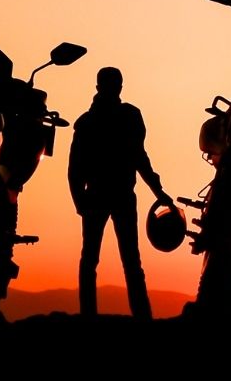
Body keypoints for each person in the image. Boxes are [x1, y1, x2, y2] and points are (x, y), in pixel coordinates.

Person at [67, 66, 170, 318]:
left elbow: (75, 168)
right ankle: (140, 316)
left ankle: (92, 315)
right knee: (126, 261)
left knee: (97, 259)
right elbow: (139, 159)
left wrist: (80, 199)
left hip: (104, 196)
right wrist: (157, 191)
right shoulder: (125, 118)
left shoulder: (91, 122)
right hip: (114, 195)